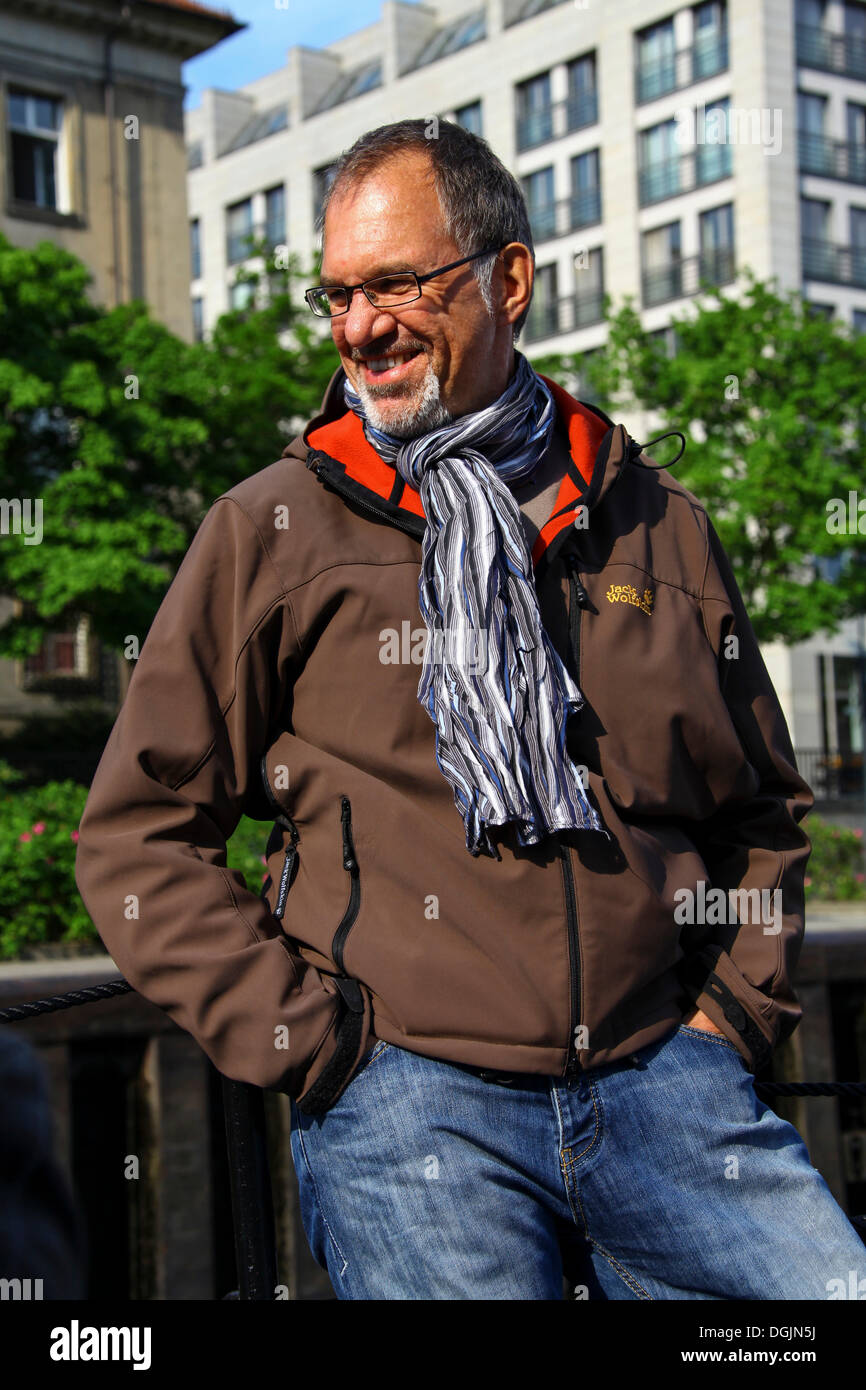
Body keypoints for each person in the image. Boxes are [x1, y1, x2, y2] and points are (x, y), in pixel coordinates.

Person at [75, 119, 865, 1300]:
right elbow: (136, 831)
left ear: (508, 279)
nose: (359, 327)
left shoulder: (658, 522)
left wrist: (732, 1019)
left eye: (395, 283)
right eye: (336, 294)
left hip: (665, 1083)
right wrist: (317, 1047)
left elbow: (760, 810)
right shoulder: (276, 525)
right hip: (409, 1105)